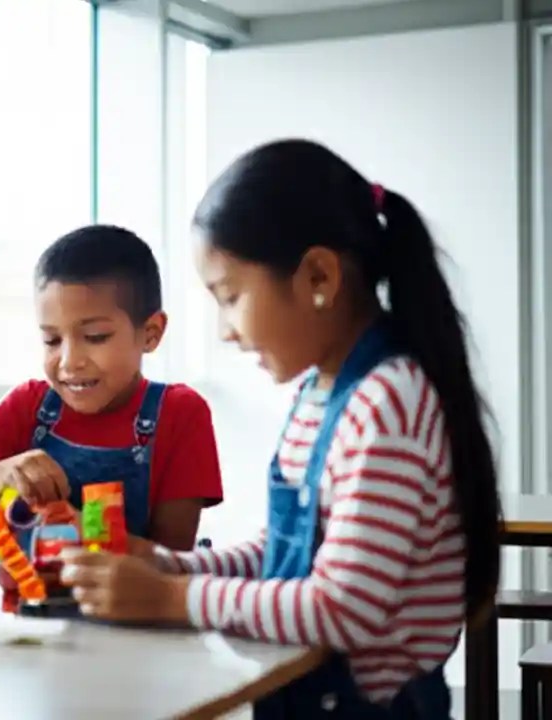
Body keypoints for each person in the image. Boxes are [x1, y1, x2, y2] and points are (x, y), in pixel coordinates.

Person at [61, 139, 501, 718]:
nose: (226, 331)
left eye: (231, 297)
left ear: (318, 276)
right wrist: (168, 565)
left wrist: (173, 597)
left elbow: (343, 607)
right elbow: (289, 553)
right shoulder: (320, 393)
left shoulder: (387, 401)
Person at [0, 224, 224, 567]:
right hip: (34, 614)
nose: (69, 363)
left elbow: (173, 561)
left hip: (133, 615)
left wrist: (84, 531)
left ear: (151, 333)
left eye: (96, 337)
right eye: (52, 341)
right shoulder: (27, 407)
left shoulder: (179, 413)